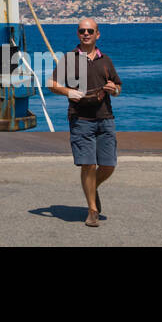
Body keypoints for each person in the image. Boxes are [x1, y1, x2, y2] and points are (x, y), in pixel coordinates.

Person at [49, 18, 122, 228]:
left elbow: (118, 87)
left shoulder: (105, 60)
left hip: (105, 117)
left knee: (108, 165)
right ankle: (92, 210)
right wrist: (67, 91)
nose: (86, 34)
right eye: (82, 31)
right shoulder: (69, 59)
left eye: (90, 31)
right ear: (78, 34)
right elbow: (52, 84)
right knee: (88, 164)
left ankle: (92, 187)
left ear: (97, 34)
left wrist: (114, 90)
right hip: (80, 119)